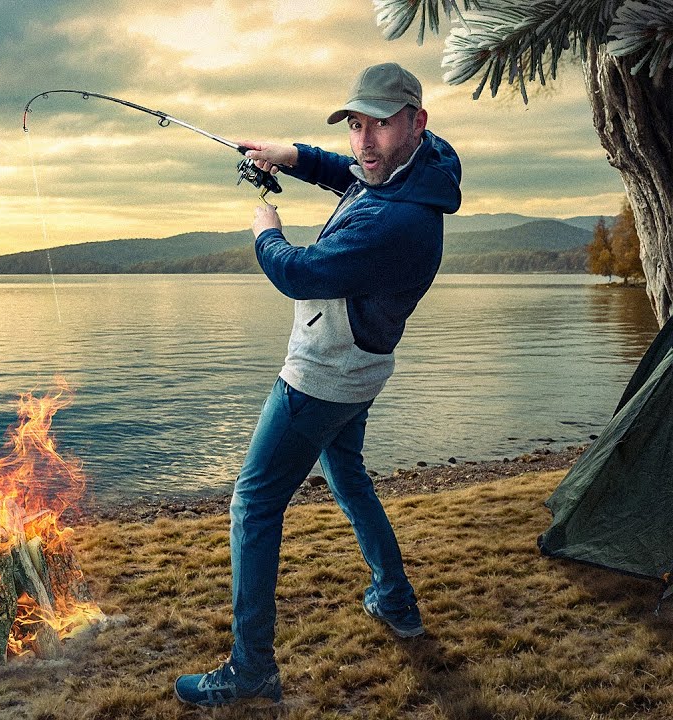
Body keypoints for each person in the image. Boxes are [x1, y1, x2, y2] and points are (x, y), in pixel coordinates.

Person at [174, 62, 462, 708]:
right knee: (347, 475)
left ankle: (250, 669)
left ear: (417, 122)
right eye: (356, 123)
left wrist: (264, 231)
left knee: (252, 505)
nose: (365, 140)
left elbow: (300, 274)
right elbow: (354, 174)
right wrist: (295, 156)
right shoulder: (424, 167)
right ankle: (396, 600)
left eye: (380, 125)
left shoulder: (397, 223)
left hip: (322, 377)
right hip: (361, 372)